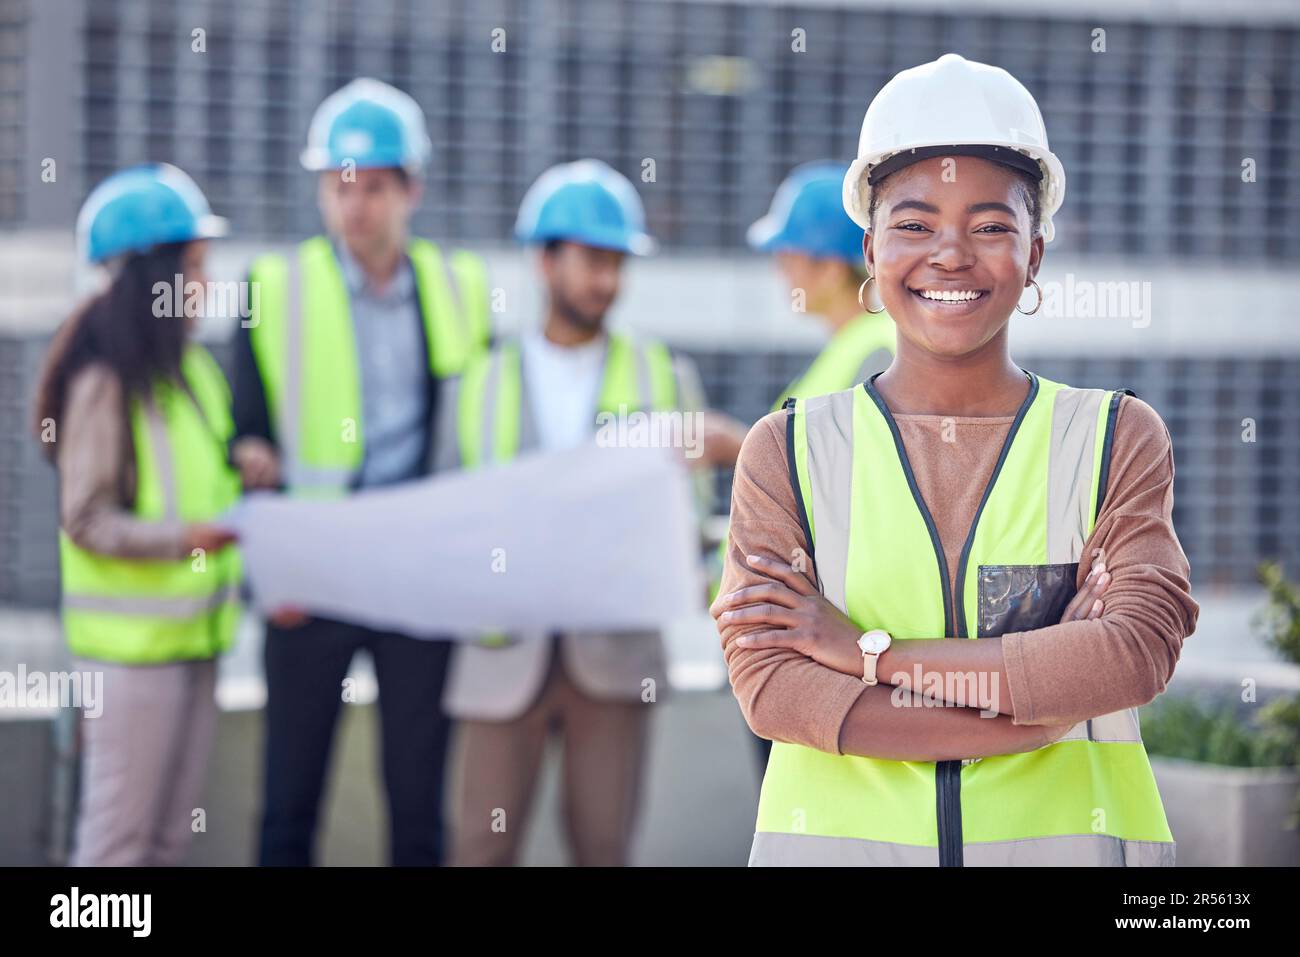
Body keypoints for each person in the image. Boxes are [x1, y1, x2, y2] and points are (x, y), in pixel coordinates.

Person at [711, 53, 1200, 866]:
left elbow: (1132, 651)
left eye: (990, 225)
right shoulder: (786, 451)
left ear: (1035, 252)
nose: (949, 254)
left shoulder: (1114, 438)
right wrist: (1036, 712)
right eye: (913, 224)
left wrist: (864, 653)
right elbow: (774, 687)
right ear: (869, 248)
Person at [230, 78, 491, 866]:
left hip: (417, 570)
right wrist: (266, 563)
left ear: (410, 190)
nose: (355, 207)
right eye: (338, 186)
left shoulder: (462, 290)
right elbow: (241, 438)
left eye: (373, 187)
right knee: (288, 803)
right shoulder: (272, 290)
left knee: (417, 807)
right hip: (312, 575)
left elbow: (480, 430)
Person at [434, 159, 721, 866]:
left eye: (617, 263)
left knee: (603, 849)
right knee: (479, 848)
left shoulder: (662, 374)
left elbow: (692, 517)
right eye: (593, 260)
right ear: (544, 259)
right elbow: (445, 517)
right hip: (502, 655)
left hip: (614, 658)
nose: (607, 281)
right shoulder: (478, 382)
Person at [34, 164, 242, 866]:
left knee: (166, 843)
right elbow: (86, 516)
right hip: (129, 660)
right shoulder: (103, 384)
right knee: (117, 850)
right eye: (193, 265)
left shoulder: (190, 374)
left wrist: (248, 468)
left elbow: (199, 478)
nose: (204, 283)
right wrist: (184, 540)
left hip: (195, 642)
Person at [730, 161, 899, 773]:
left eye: (788, 254)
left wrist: (734, 447)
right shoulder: (847, 351)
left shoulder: (875, 350)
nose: (780, 270)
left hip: (825, 637)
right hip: (802, 628)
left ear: (829, 266)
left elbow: (843, 493)